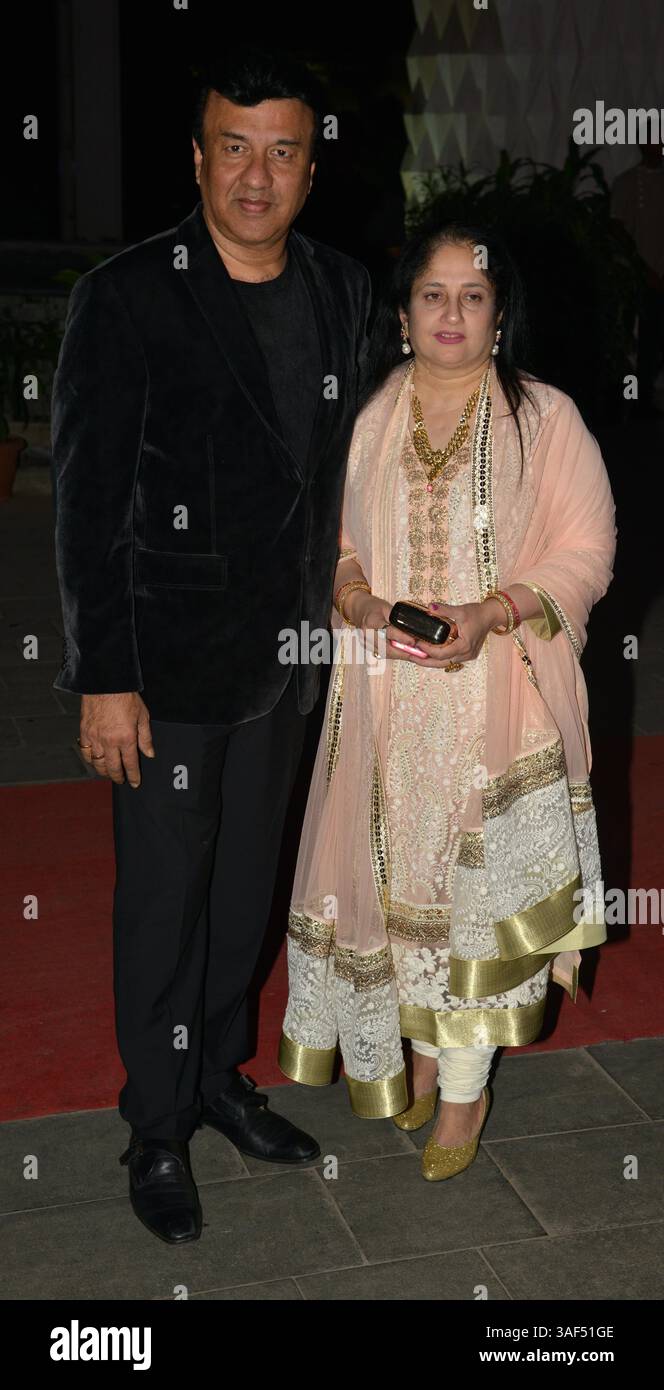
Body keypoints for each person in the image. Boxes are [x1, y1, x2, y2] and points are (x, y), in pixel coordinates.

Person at [51, 47, 371, 1243]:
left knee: (245, 894)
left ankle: (220, 1076)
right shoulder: (129, 294)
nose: (255, 172)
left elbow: (350, 472)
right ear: (197, 159)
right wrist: (105, 678)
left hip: (288, 662)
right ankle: (154, 1120)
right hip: (168, 669)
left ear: (307, 166)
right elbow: (85, 506)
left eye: (281, 149)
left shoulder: (343, 290)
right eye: (232, 146)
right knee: (166, 899)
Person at [278, 220, 616, 1180]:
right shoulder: (372, 416)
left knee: (472, 900)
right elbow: (335, 541)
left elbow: (585, 551)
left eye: (474, 295)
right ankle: (419, 1061)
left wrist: (492, 611)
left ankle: (463, 1095)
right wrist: (352, 595)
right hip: (387, 704)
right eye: (433, 294)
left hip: (493, 697)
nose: (452, 313)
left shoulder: (544, 420)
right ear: (402, 313)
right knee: (399, 887)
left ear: (500, 315)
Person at [611, 137, 664, 417]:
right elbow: (619, 232)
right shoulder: (627, 183)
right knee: (646, 340)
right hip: (642, 277)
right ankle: (640, 402)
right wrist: (644, 271)